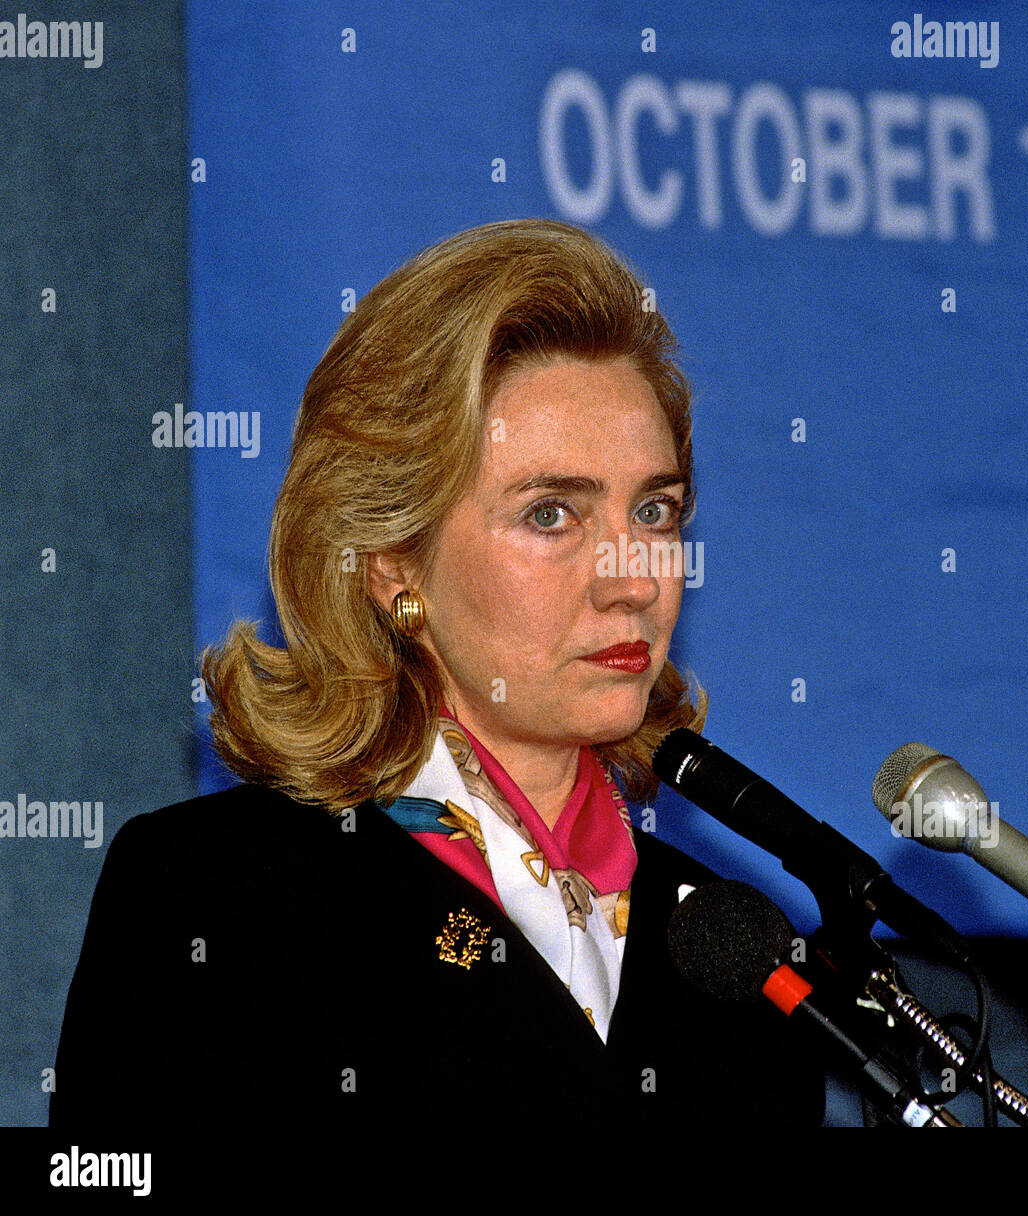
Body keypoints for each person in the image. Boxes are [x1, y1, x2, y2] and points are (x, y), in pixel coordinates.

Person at [50, 218, 825, 1131]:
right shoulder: (217, 895)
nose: (635, 579)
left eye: (654, 512)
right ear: (393, 563)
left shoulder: (736, 956)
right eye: (551, 514)